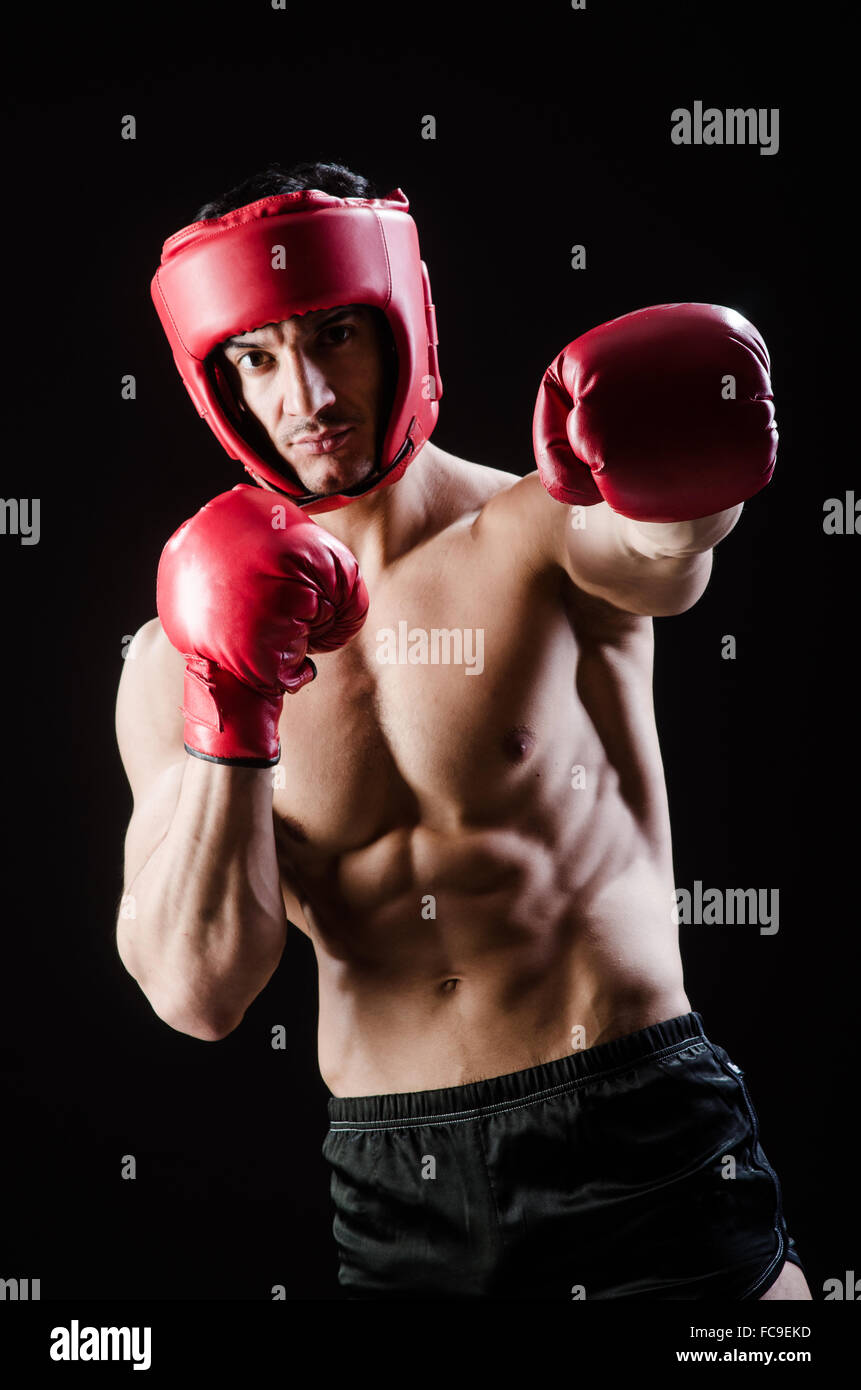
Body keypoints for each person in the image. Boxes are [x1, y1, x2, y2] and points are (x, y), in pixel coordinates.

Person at [115, 160, 811, 1300]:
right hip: (396, 1181)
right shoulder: (167, 662)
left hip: (632, 1123)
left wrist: (691, 456)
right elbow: (198, 991)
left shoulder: (538, 529)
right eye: (255, 355)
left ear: (404, 325)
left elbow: (662, 546)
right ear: (213, 380)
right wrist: (227, 706)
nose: (305, 396)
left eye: (334, 333)